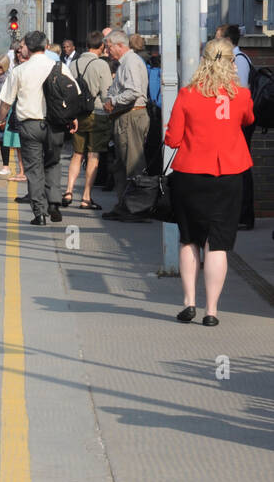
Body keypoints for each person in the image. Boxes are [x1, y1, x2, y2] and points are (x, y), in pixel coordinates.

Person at [165, 39, 255, 327]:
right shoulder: (240, 95)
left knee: (189, 238)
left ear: (202, 61)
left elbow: (172, 139)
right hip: (229, 175)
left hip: (190, 174)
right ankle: (212, 310)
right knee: (217, 244)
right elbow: (248, 119)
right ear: (231, 63)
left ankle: (189, 302)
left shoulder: (187, 94)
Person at [0, 30, 78, 225]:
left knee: (33, 168)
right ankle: (54, 203)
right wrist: (73, 117)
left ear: (29, 48)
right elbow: (74, 93)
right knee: (53, 163)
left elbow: (6, 102)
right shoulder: (59, 67)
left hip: (30, 125)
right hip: (55, 124)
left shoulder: (19, 71)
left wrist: (0, 121)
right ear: (45, 46)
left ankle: (39, 213)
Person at [101, 29, 150, 219]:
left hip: (131, 116)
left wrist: (113, 101)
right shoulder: (125, 63)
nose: (107, 51)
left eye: (109, 47)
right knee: (121, 165)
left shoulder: (130, 63)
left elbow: (133, 91)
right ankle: (124, 205)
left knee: (133, 165)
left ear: (119, 46)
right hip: (125, 117)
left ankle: (136, 209)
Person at [64, 30, 113, 210]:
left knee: (77, 154)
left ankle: (68, 190)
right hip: (97, 114)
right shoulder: (101, 65)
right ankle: (85, 197)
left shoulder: (74, 64)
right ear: (101, 46)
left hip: (78, 116)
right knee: (93, 155)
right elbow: (107, 93)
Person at [220, 24, 256, 230]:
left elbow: (239, 93)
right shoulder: (234, 59)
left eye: (217, 37)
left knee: (242, 168)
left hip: (240, 122)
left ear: (227, 40)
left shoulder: (239, 61)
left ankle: (245, 215)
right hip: (235, 120)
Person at [0, 42, 27, 181]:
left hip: (31, 112)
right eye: (17, 52)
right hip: (16, 111)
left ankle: (27, 172)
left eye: (21, 51)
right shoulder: (15, 70)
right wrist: (1, 119)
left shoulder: (33, 68)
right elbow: (7, 97)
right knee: (18, 145)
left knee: (30, 146)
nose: (19, 54)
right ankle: (22, 171)